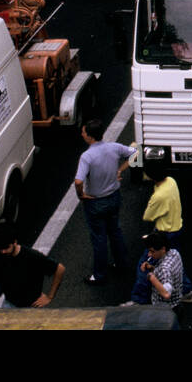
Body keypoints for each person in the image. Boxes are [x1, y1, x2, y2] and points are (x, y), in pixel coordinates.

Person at [74, 119, 133, 284]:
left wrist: (81, 195)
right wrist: (120, 170)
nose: (82, 134)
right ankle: (122, 264)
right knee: (115, 232)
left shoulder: (87, 156)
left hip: (95, 202)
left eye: (84, 132)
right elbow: (137, 153)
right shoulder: (114, 147)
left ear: (90, 136)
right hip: (114, 197)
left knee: (99, 238)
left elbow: (78, 181)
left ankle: (99, 275)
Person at [129, 169, 192, 304]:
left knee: (144, 265)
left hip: (163, 233)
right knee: (175, 263)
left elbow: (147, 216)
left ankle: (138, 300)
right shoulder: (171, 181)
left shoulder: (159, 196)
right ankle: (186, 291)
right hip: (176, 228)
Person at [0, 224, 65, 309]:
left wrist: (50, 297)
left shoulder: (32, 256)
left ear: (15, 242)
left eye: (6, 247)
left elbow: (60, 269)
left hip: (32, 307)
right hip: (9, 304)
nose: (3, 251)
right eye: (1, 248)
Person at [141, 231, 186, 310]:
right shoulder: (174, 253)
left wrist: (151, 277)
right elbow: (167, 273)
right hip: (177, 302)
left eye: (152, 251)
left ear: (163, 249)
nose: (149, 255)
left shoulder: (164, 269)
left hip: (165, 310)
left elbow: (166, 294)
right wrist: (152, 268)